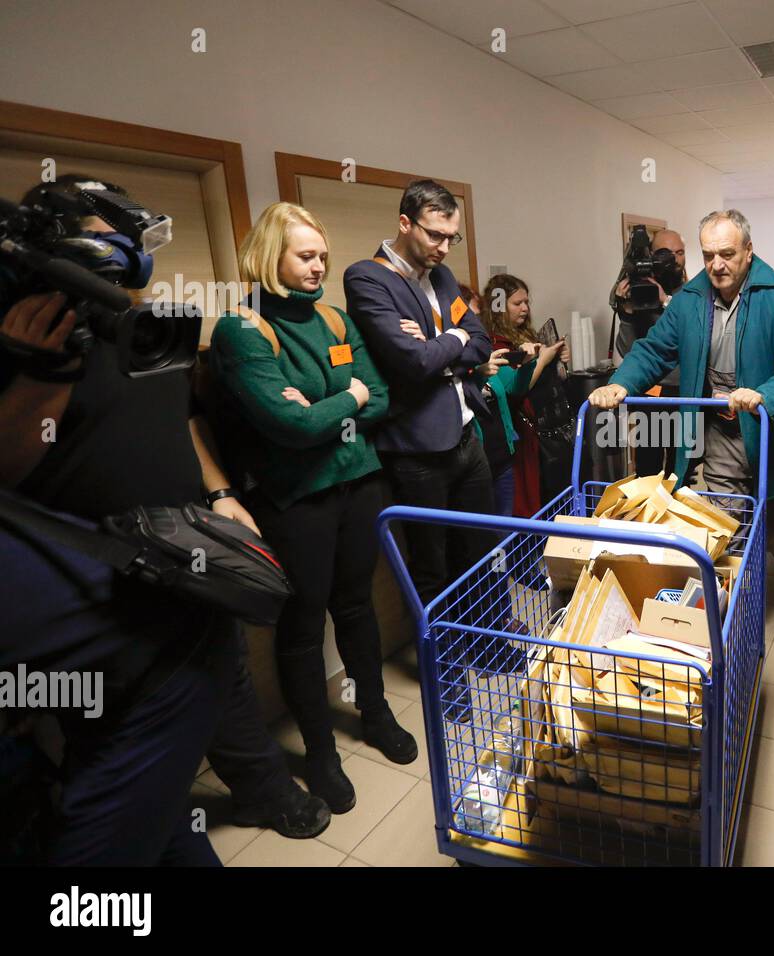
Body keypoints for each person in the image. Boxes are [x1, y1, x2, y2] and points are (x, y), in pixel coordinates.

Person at [0, 178, 323, 862]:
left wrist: (219, 494)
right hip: (107, 590)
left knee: (219, 677)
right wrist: (39, 369)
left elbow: (181, 420)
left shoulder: (143, 326)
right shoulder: (23, 339)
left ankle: (258, 789)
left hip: (188, 551)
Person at [210, 202, 414, 814]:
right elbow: (287, 425)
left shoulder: (333, 319)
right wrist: (341, 399)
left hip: (359, 486)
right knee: (303, 628)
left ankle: (374, 715)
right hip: (296, 501)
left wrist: (332, 403)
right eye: (306, 255)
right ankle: (320, 753)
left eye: (322, 255)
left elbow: (379, 398)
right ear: (270, 257)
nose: (319, 265)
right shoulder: (241, 330)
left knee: (356, 606)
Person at [588, 209, 774, 607]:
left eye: (728, 254)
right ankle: (731, 600)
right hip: (721, 429)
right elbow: (654, 350)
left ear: (749, 250)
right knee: (722, 520)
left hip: (772, 428)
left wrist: (764, 394)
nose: (717, 265)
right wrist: (620, 383)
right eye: (708, 254)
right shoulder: (690, 299)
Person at [342, 179, 496, 609]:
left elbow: (481, 343)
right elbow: (413, 362)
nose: (445, 247)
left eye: (452, 237)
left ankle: (492, 647)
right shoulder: (366, 277)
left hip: (467, 437)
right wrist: (454, 338)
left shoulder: (442, 276)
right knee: (432, 565)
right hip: (417, 450)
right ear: (405, 223)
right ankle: (445, 667)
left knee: (484, 551)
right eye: (435, 234)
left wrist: (438, 341)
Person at [479, 273, 569, 517]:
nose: (525, 309)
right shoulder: (494, 343)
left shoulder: (525, 336)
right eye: (517, 303)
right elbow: (515, 389)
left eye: (526, 302)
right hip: (517, 430)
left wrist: (558, 363)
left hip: (542, 428)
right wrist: (543, 359)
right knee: (524, 502)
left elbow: (550, 382)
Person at [610, 228, 688, 477]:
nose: (674, 259)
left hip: (685, 392)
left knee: (681, 470)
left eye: (680, 252)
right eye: (666, 253)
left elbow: (693, 333)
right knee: (648, 468)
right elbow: (628, 350)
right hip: (651, 393)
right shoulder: (641, 289)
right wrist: (627, 314)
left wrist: (666, 301)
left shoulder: (695, 291)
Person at [456, 284, 516, 517]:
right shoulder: (450, 361)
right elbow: (466, 395)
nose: (475, 324)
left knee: (507, 531)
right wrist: (480, 372)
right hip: (477, 461)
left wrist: (530, 361)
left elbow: (512, 389)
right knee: (484, 534)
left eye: (477, 317)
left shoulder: (483, 350)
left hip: (504, 458)